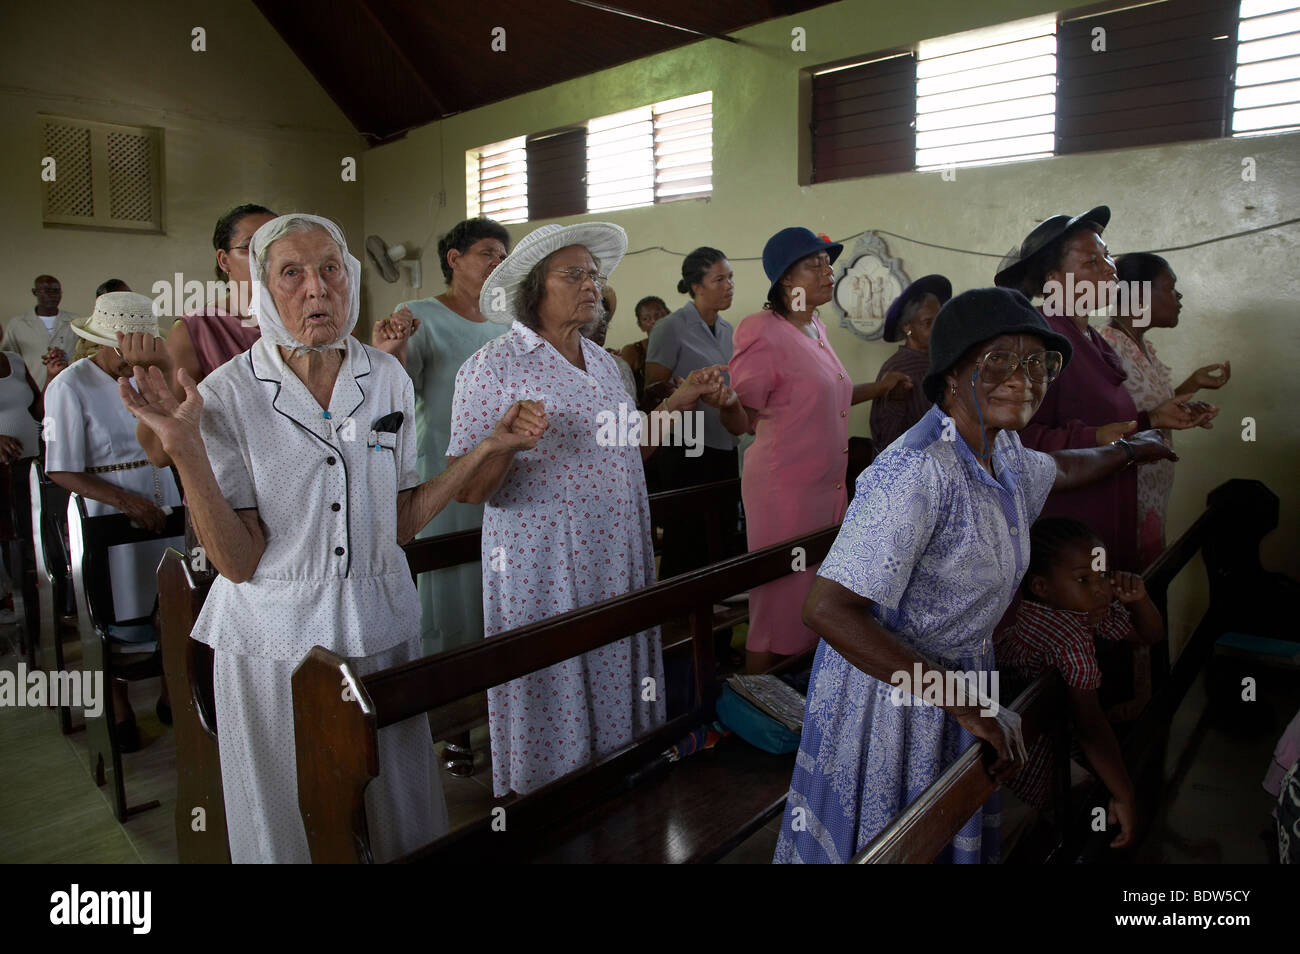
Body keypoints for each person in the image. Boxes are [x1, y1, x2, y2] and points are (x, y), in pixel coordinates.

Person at [120, 213, 544, 863]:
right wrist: (187, 455)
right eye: (292, 273)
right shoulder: (228, 394)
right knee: (290, 815)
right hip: (275, 644)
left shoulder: (387, 378)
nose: (316, 289)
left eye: (331, 270)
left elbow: (398, 521)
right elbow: (237, 562)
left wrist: (488, 446)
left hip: (378, 631)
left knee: (396, 807)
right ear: (263, 291)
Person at [774, 287, 1178, 864]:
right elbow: (828, 610)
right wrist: (963, 704)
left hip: (959, 680)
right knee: (891, 839)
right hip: (891, 696)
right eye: (999, 362)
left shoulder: (1001, 451)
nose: (1025, 379)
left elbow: (1060, 467)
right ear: (952, 374)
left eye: (1039, 363)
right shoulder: (917, 472)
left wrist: (1133, 449)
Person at [450, 222, 724, 798]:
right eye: (572, 273)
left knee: (615, 664)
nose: (590, 284)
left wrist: (682, 399)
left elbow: (636, 445)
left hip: (616, 553)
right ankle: (551, 799)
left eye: (593, 274)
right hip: (543, 565)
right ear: (533, 288)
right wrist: (501, 443)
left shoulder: (606, 366)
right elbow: (471, 491)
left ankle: (619, 784)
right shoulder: (493, 367)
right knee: (554, 676)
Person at [717, 228, 911, 670]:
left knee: (815, 594)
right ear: (787, 279)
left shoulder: (815, 326)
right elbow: (743, 419)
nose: (828, 272)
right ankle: (758, 702)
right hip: (784, 489)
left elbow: (827, 397)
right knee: (778, 600)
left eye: (828, 263)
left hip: (824, 486)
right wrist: (728, 402)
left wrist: (879, 387)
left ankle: (799, 693)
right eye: (815, 265)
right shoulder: (761, 330)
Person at [995, 206, 1216, 573]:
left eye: (1107, 255)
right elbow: (1012, 441)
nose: (1110, 268)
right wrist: (1094, 437)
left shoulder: (1091, 338)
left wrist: (1151, 418)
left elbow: (1103, 421)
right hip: (1067, 532)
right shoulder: (1040, 340)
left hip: (1108, 511)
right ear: (1053, 279)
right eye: (1091, 262)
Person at [371, 215, 510, 775]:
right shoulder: (419, 317)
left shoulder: (509, 322)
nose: (496, 262)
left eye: (503, 253)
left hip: (507, 475)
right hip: (447, 478)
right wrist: (394, 352)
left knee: (498, 598)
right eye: (485, 253)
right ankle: (455, 726)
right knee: (451, 602)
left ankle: (505, 715)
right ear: (453, 258)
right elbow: (396, 396)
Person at [44, 292, 184, 749]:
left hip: (163, 498)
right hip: (105, 508)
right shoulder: (70, 385)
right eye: (129, 351)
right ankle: (118, 704)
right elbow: (62, 468)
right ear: (104, 343)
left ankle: (171, 692)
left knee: (172, 603)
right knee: (113, 607)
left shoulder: (151, 377)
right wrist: (126, 501)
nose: (136, 361)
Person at [127, 204, 278, 588]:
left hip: (302, 498)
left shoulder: (305, 327)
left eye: (277, 242)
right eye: (252, 246)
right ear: (224, 260)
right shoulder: (194, 332)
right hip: (229, 506)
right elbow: (160, 452)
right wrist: (157, 375)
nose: (268, 255)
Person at [996, 517, 1165, 847]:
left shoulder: (1069, 610)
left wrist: (1138, 598)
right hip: (1023, 765)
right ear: (1042, 587)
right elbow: (1090, 726)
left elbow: (1150, 635)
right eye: (1084, 579)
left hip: (1029, 742)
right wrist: (1125, 794)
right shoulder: (1068, 637)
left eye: (1102, 573)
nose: (1101, 587)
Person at [1098, 253, 1229, 566]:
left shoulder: (1142, 347)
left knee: (1151, 583)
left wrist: (1189, 389)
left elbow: (1153, 413)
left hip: (1152, 497)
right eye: (1171, 289)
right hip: (1124, 499)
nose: (1179, 299)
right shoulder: (1107, 348)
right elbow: (1106, 427)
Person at [645, 247, 739, 577]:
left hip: (724, 442)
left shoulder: (728, 330)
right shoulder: (671, 327)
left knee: (722, 534)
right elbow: (652, 389)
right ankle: (679, 618)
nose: (729, 285)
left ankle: (718, 617)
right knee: (687, 538)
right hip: (688, 446)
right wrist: (687, 389)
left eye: (730, 278)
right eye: (719, 279)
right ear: (696, 285)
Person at [869, 274, 951, 453]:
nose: (936, 329)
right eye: (928, 323)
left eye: (939, 320)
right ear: (908, 326)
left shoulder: (940, 362)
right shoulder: (898, 368)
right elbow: (885, 437)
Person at [0, 348, 42, 625]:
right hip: (1, 468)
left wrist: (51, 376)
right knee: (5, 536)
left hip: (29, 462)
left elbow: (37, 409)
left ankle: (36, 607)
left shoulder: (14, 360)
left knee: (31, 534)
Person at [4, 275, 78, 389]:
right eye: (47, 291)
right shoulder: (17, 324)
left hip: (69, 387)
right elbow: (9, 361)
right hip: (33, 390)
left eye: (56, 291)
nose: (52, 295)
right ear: (35, 292)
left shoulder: (75, 323)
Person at [621, 295, 669, 406]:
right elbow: (622, 391)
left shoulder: (683, 346)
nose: (654, 321)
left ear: (669, 315)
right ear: (640, 325)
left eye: (658, 315)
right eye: (646, 319)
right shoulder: (633, 352)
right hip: (646, 416)